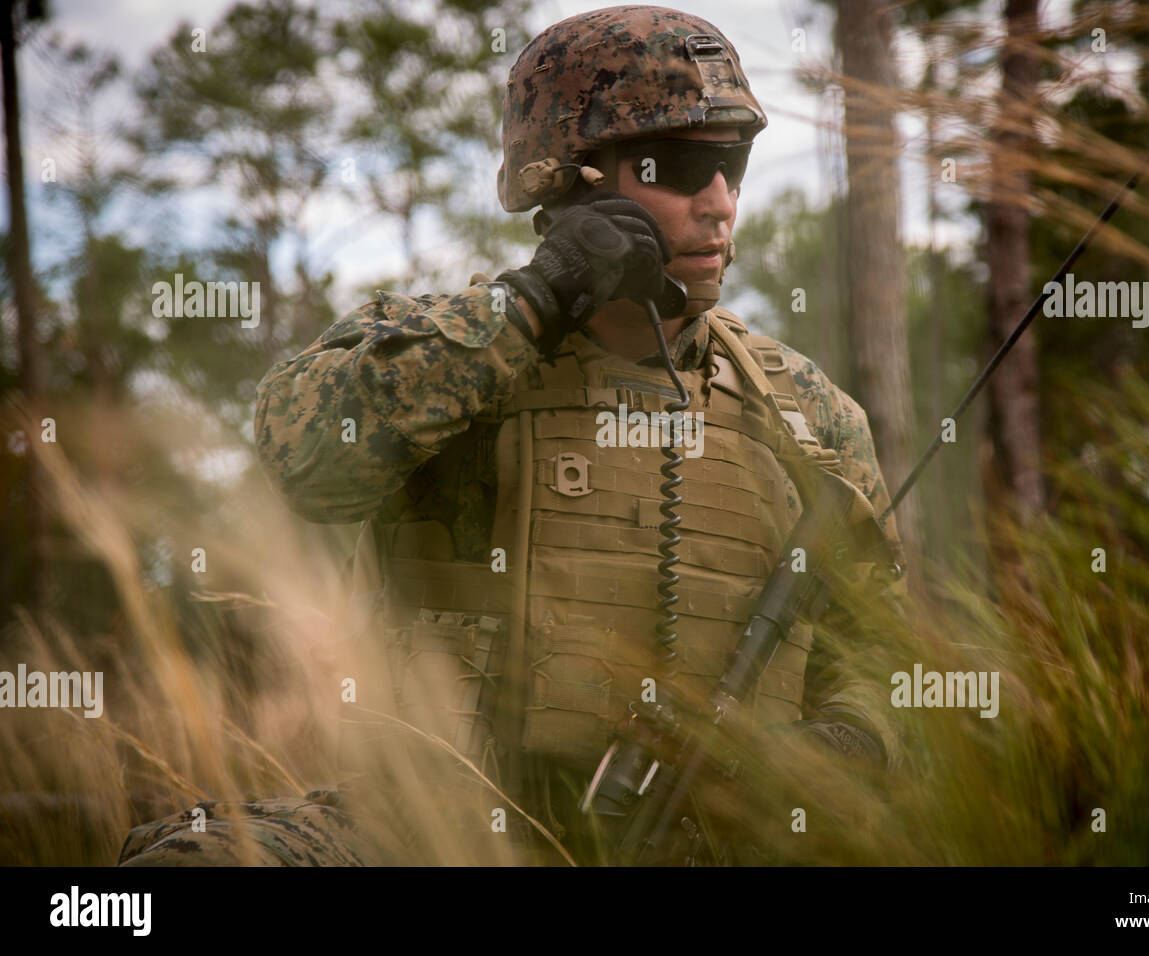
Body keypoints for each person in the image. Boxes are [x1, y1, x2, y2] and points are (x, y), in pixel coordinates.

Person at [119, 4, 906, 867]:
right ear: (571, 179)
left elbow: (877, 657)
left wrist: (831, 749)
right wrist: (537, 299)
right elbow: (308, 464)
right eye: (681, 164)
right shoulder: (456, 349)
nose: (719, 204)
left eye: (734, 165)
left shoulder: (807, 411)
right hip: (431, 830)